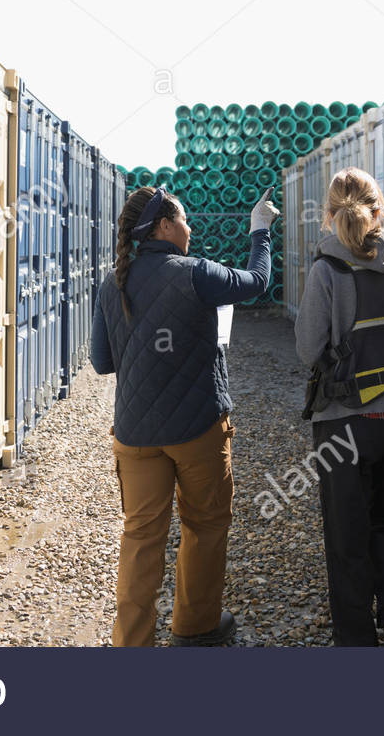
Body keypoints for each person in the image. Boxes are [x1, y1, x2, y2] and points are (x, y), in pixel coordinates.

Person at [90, 184, 279, 646]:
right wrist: (260, 231)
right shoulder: (197, 273)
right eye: (184, 219)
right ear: (165, 226)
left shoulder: (111, 282)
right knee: (205, 524)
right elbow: (257, 283)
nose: (190, 228)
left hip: (135, 437)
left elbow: (102, 362)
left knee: (140, 536)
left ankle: (131, 642)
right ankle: (195, 626)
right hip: (199, 430)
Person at [294, 167, 384, 647]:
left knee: (347, 536)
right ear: (381, 210)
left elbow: (307, 348)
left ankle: (357, 639)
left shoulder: (327, 270)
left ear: (327, 215)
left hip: (345, 424)